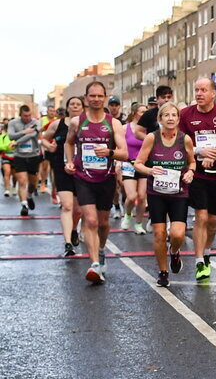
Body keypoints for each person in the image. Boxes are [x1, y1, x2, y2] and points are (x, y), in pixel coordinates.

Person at [63, 81, 129, 284]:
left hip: (106, 178)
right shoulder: (77, 122)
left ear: (105, 98)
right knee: (90, 220)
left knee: (103, 223)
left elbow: (124, 154)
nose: (96, 99)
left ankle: (101, 251)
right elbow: (69, 142)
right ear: (86, 98)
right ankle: (94, 264)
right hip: (83, 178)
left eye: (100, 96)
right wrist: (69, 161)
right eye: (92, 96)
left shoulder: (113, 123)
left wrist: (109, 152)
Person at [179, 77, 216, 281]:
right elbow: (180, 142)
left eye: (203, 90)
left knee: (213, 220)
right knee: (201, 216)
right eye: (196, 90)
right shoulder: (186, 114)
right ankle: (198, 261)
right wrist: (198, 151)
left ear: (213, 93)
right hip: (196, 172)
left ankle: (206, 252)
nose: (199, 94)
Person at [133, 102, 196, 287]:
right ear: (160, 119)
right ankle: (163, 272)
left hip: (178, 193)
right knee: (159, 234)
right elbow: (138, 163)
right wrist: (150, 171)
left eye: (173, 115)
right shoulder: (152, 138)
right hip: (156, 193)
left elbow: (192, 162)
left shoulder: (185, 139)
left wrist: (191, 172)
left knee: (178, 234)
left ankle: (175, 252)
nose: (170, 118)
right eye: (166, 115)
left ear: (178, 119)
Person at [41, 96, 84, 257]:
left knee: (78, 209)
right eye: (71, 103)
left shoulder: (86, 124)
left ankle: (73, 229)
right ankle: (67, 243)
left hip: (81, 168)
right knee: (67, 206)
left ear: (82, 107)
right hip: (62, 168)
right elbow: (44, 139)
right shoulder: (57, 124)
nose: (74, 106)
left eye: (78, 104)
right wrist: (49, 147)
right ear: (67, 107)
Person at [119, 103, 149, 235]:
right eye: (142, 112)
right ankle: (127, 214)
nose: (144, 114)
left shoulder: (149, 129)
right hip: (129, 164)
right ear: (135, 113)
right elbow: (120, 146)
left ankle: (138, 224)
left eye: (146, 112)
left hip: (144, 165)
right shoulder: (125, 128)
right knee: (132, 196)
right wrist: (118, 163)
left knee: (142, 197)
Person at [8, 104, 42, 217]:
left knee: (33, 182)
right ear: (20, 114)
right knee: (22, 181)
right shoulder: (13, 123)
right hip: (19, 156)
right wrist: (23, 131)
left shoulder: (36, 122)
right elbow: (11, 136)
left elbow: (32, 135)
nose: (27, 118)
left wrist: (17, 142)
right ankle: (24, 205)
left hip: (33, 155)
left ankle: (29, 195)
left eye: (29, 115)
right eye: (25, 116)